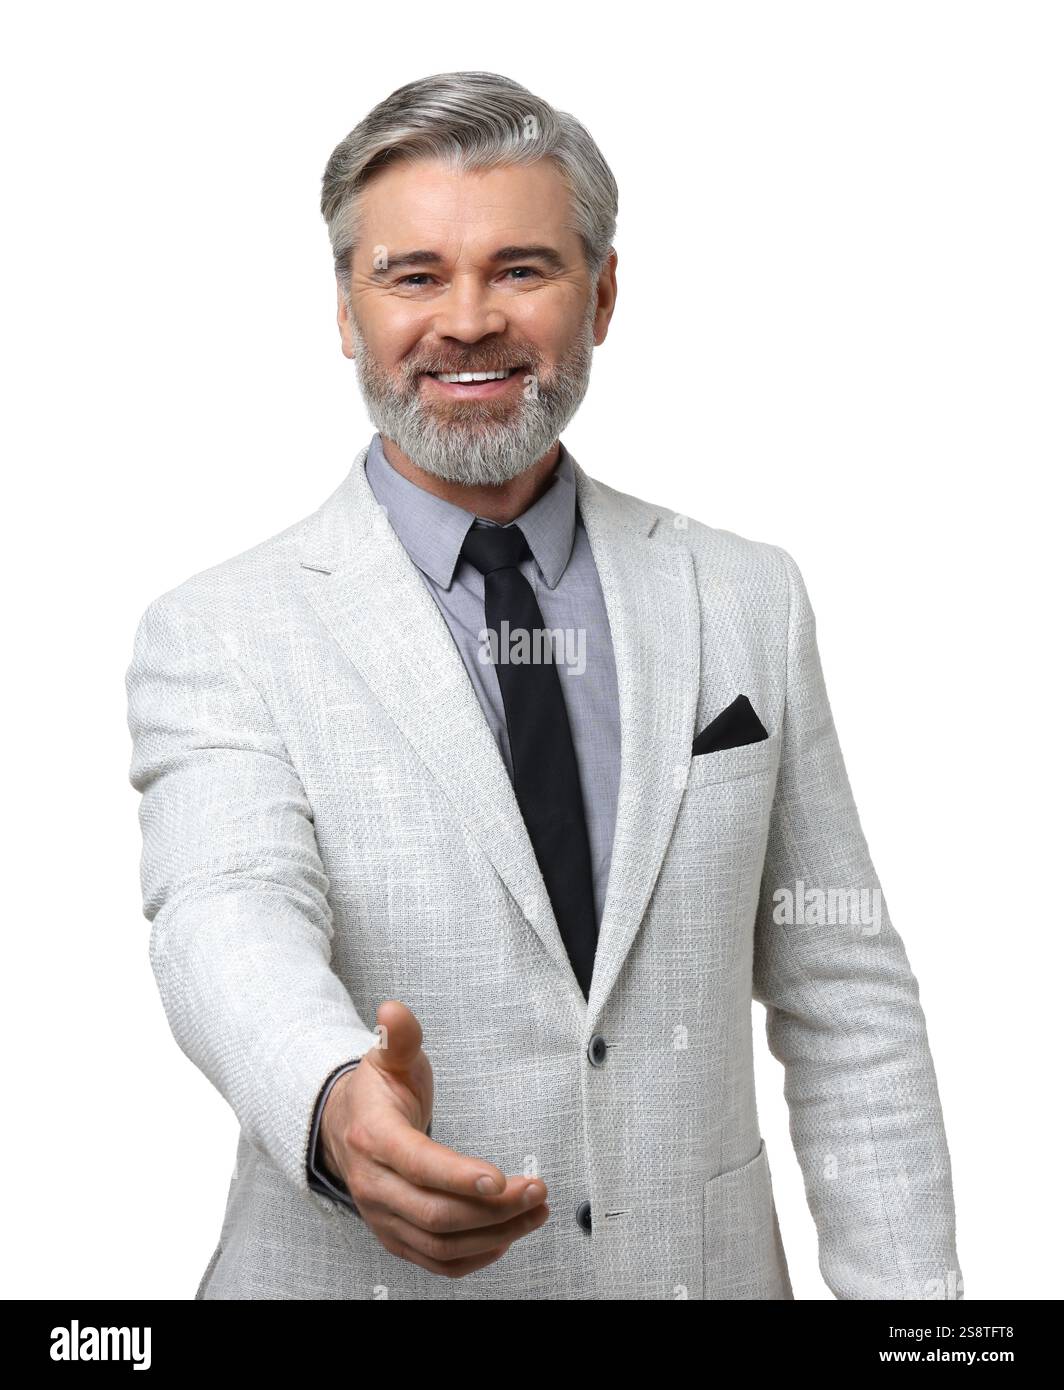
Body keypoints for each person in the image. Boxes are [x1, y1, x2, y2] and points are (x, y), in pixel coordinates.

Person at [125, 70, 963, 1300]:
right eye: (412, 275)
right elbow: (221, 912)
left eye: (520, 269)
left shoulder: (745, 597)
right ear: (346, 313)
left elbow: (843, 990)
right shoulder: (222, 629)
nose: (465, 320)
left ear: (602, 295)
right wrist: (333, 1096)